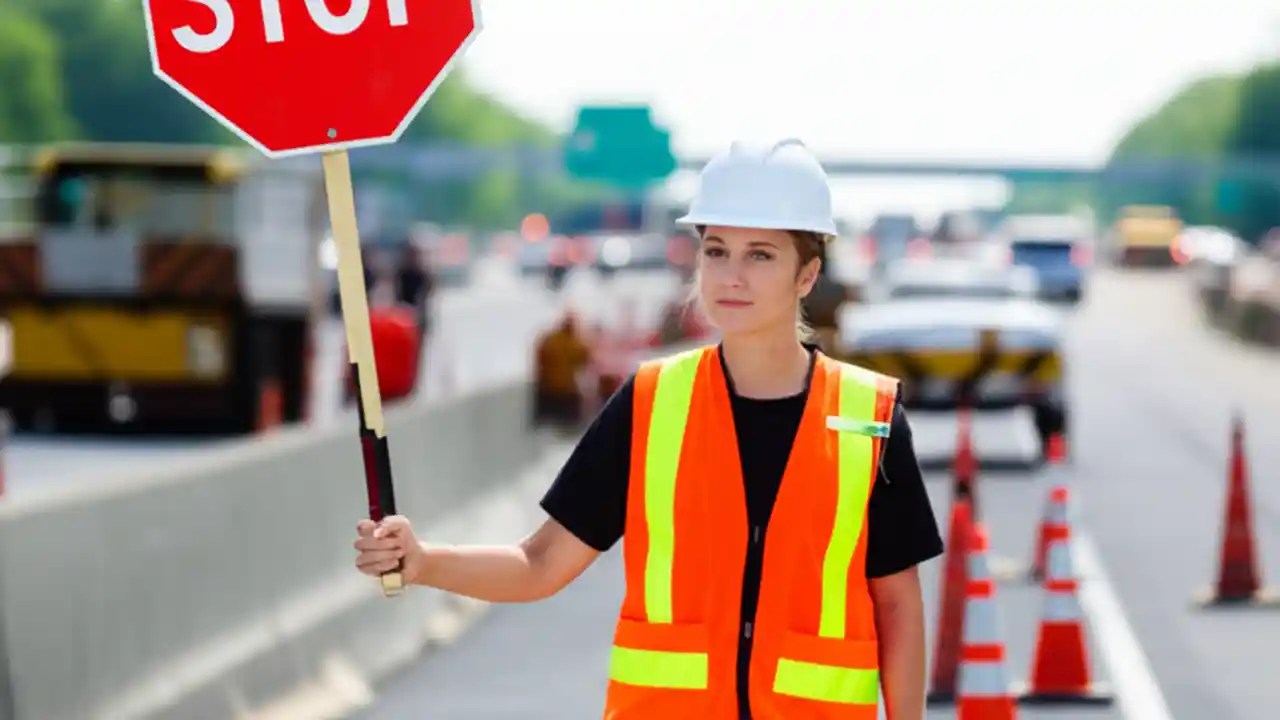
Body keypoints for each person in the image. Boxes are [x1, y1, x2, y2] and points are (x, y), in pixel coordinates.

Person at [354, 139, 944, 719]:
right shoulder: (652, 402)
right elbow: (540, 563)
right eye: (716, 251)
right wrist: (424, 560)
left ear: (808, 274)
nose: (731, 276)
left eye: (760, 254)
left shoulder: (868, 415)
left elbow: (897, 606)